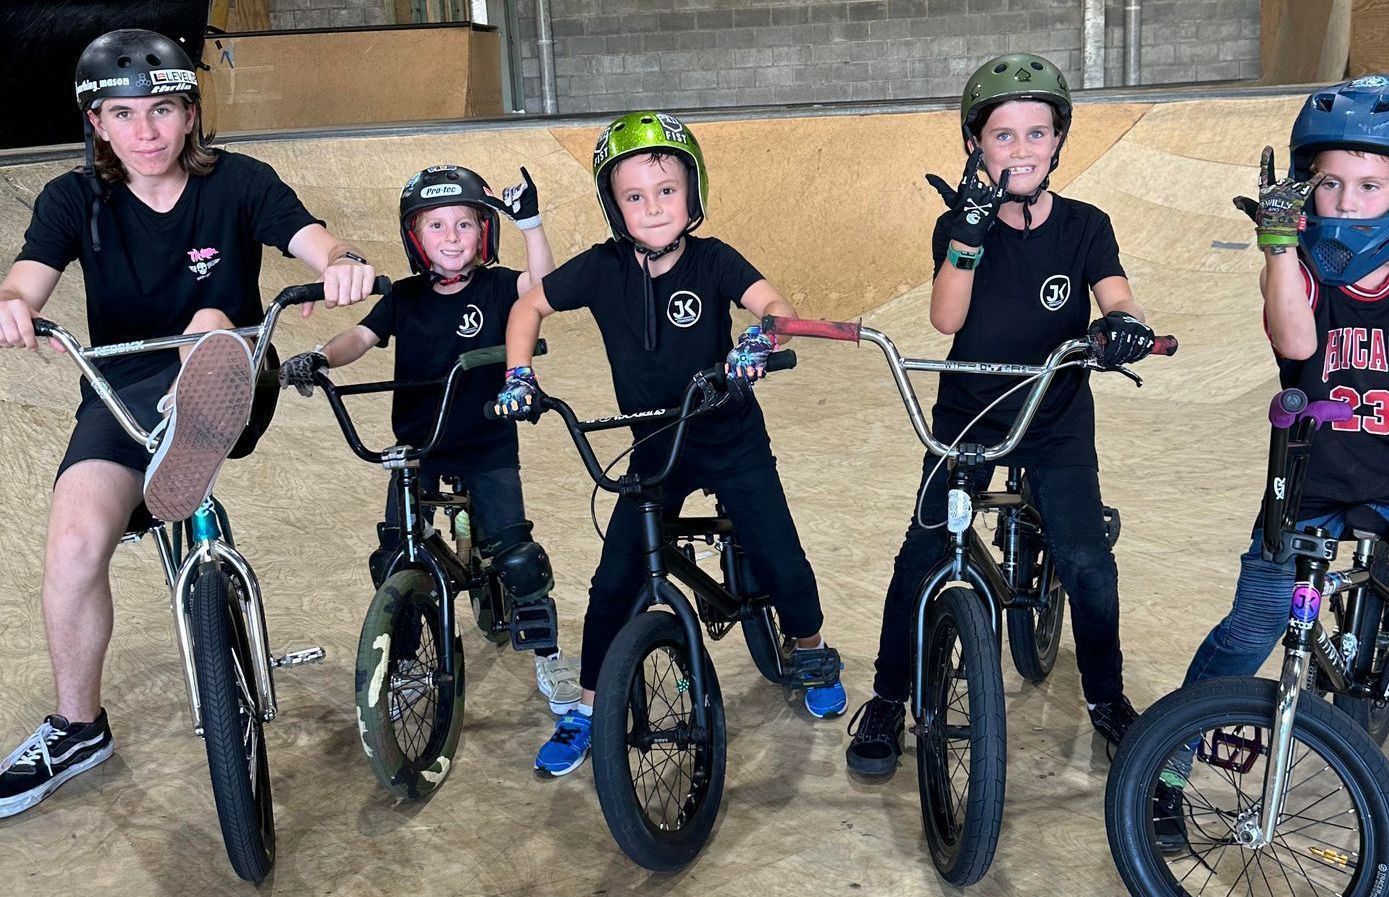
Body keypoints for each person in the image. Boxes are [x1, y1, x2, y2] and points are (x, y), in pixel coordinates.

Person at [0, 29, 376, 818]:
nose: (146, 132)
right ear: (97, 124)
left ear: (192, 114)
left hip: (232, 373)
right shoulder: (75, 199)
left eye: (163, 110)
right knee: (72, 543)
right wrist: (13, 306)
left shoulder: (240, 183)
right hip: (122, 392)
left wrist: (340, 259)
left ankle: (188, 419)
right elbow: (28, 277)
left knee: (210, 320)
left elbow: (313, 238)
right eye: (124, 114)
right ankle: (77, 728)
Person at [1161, 73, 1389, 851]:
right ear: (1304, 186)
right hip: (1309, 486)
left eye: (1370, 183)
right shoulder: (1296, 266)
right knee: (1245, 630)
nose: (1348, 200)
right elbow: (1296, 343)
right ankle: (1169, 763)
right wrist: (1275, 246)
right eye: (1329, 183)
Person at [495, 111, 847, 778]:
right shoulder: (600, 270)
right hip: (655, 443)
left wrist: (759, 339)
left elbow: (777, 308)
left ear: (693, 195)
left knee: (780, 552)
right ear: (613, 204)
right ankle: (591, 708)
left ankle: (809, 645)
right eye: (634, 196)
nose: (652, 207)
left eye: (666, 191)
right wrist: (519, 373)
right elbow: (527, 307)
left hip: (728, 432)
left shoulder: (714, 259)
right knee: (613, 582)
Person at [845, 53, 1159, 779]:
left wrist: (1123, 325)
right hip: (968, 413)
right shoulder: (957, 226)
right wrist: (971, 230)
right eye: (1003, 137)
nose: (1022, 149)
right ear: (973, 148)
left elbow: (1116, 293)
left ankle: (1108, 701)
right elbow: (945, 314)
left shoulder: (1084, 226)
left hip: (1054, 418)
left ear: (1058, 142)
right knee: (921, 554)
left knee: (1087, 560)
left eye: (1037, 134)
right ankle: (889, 697)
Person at [278, 164, 578, 714]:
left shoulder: (496, 285)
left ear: (483, 231)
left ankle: (549, 653)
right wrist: (320, 357)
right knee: (395, 553)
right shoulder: (406, 296)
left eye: (463, 225)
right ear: (414, 237)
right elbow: (360, 338)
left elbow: (542, 287)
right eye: (436, 227)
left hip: (485, 442)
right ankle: (411, 659)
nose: (451, 238)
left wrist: (531, 225)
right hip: (416, 449)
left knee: (514, 553)